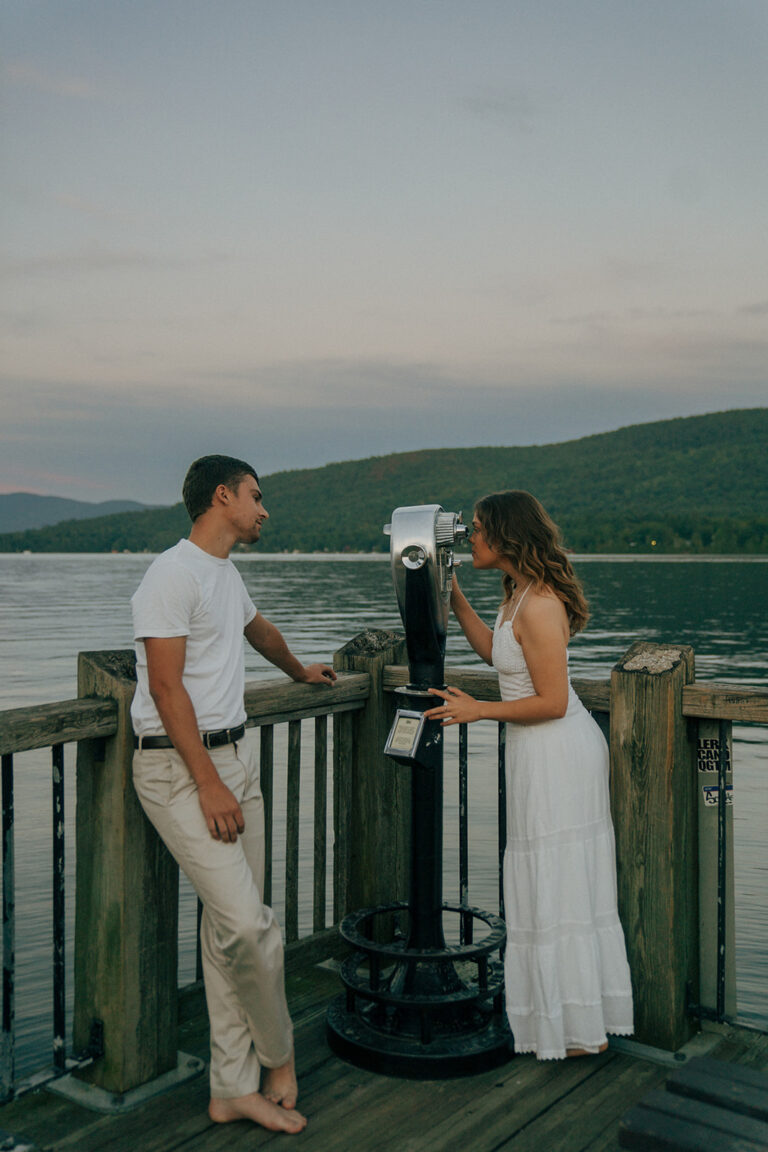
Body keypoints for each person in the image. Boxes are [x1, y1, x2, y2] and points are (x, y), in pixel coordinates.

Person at [130, 455, 336, 1133]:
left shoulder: (224, 573)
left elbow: (258, 631)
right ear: (222, 496)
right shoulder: (171, 574)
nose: (264, 509)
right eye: (256, 496)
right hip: (180, 770)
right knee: (250, 926)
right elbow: (165, 689)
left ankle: (229, 1088)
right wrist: (209, 782)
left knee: (229, 931)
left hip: (234, 760)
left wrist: (299, 670)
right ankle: (279, 1057)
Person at [424, 490, 633, 1060]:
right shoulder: (516, 594)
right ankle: (558, 1021)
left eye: (478, 528)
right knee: (546, 884)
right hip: (534, 752)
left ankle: (579, 1028)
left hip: (557, 753)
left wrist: (479, 710)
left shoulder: (539, 604)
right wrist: (454, 597)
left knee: (560, 884)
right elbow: (498, 654)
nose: (470, 537)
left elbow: (553, 702)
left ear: (506, 535)